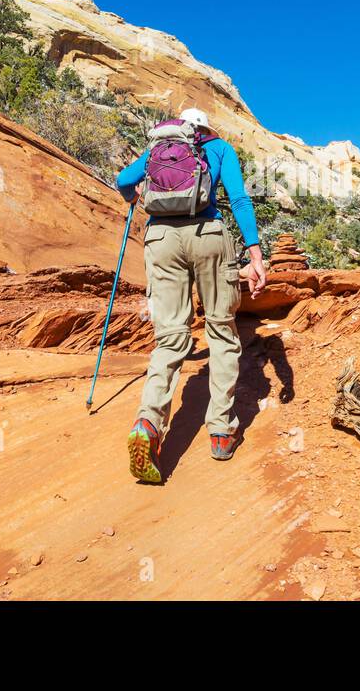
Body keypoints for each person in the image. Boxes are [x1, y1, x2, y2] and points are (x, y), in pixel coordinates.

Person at [116, 107, 267, 484]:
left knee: (170, 338)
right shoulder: (218, 148)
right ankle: (220, 431)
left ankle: (148, 423)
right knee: (221, 330)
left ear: (180, 129)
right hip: (209, 236)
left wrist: (132, 196)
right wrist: (255, 253)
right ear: (205, 127)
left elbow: (122, 180)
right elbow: (240, 199)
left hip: (161, 239)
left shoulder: (158, 148)